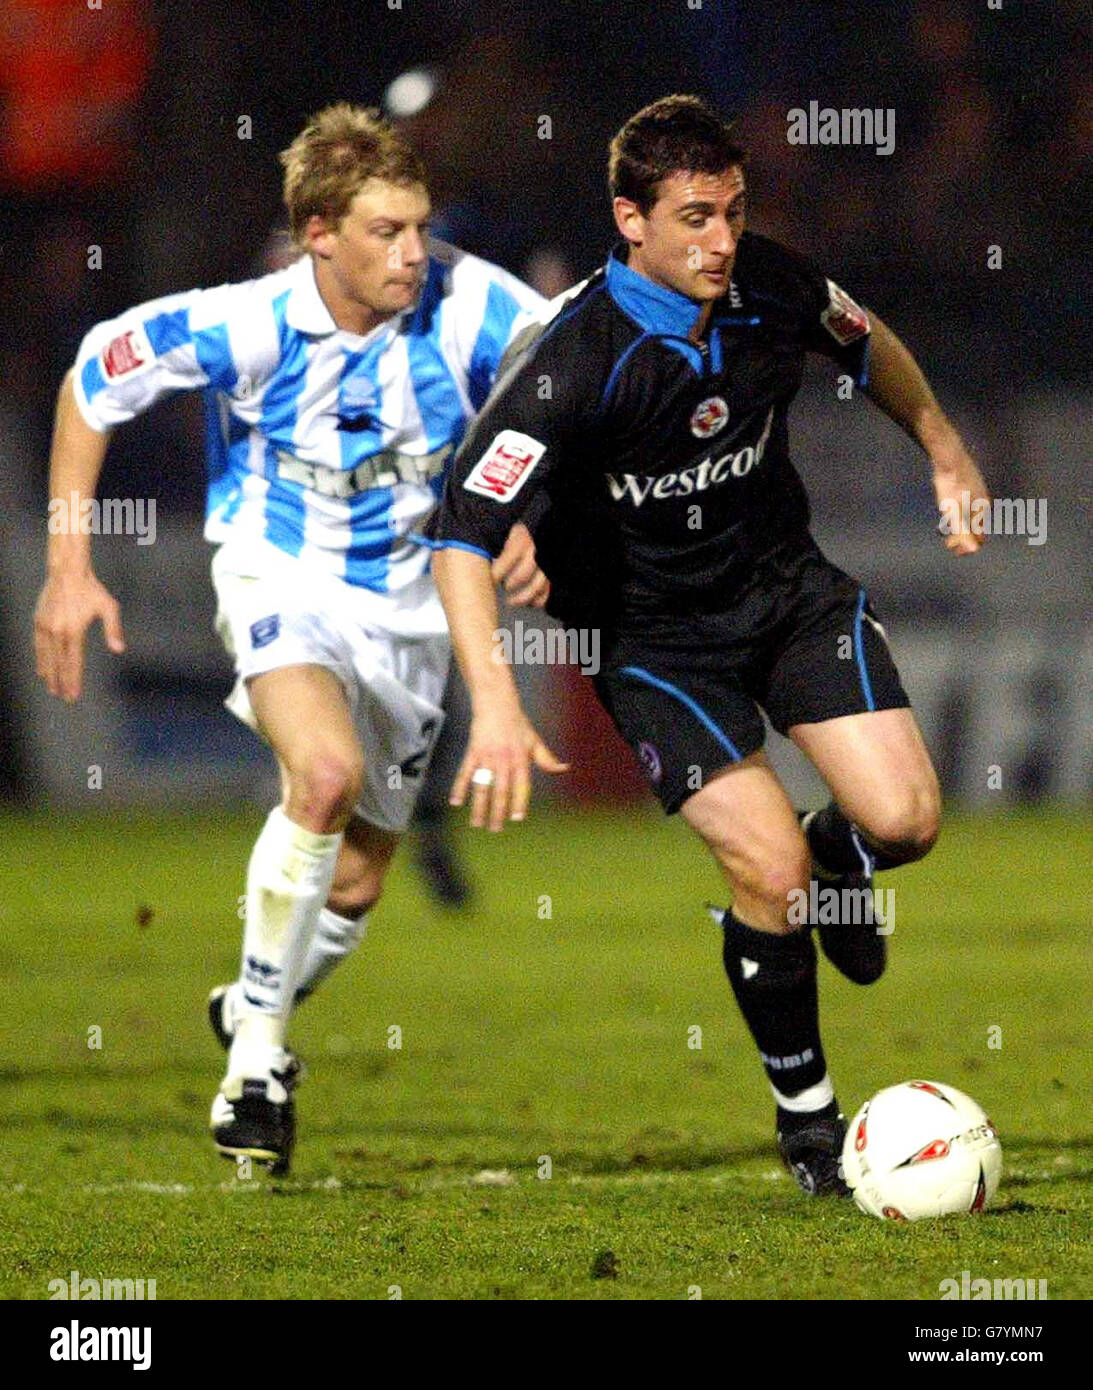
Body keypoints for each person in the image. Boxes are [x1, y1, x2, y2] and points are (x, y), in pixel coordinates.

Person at [430, 95, 992, 1195]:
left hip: (789, 598)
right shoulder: (572, 358)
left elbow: (863, 338)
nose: (721, 240)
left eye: (733, 212)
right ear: (628, 219)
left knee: (906, 821)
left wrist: (942, 446)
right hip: (654, 646)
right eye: (694, 217)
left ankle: (845, 864)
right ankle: (808, 1121)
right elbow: (462, 528)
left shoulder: (765, 285)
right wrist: (495, 701)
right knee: (767, 870)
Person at [33, 103, 548, 1175]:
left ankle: (248, 1000)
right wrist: (71, 567)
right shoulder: (247, 322)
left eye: (420, 227)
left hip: (418, 607)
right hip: (281, 572)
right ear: (319, 234)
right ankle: (255, 1071)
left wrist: (542, 520)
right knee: (319, 774)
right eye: (386, 234)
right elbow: (93, 379)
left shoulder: (475, 305)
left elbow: (568, 398)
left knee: (354, 886)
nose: (416, 253)